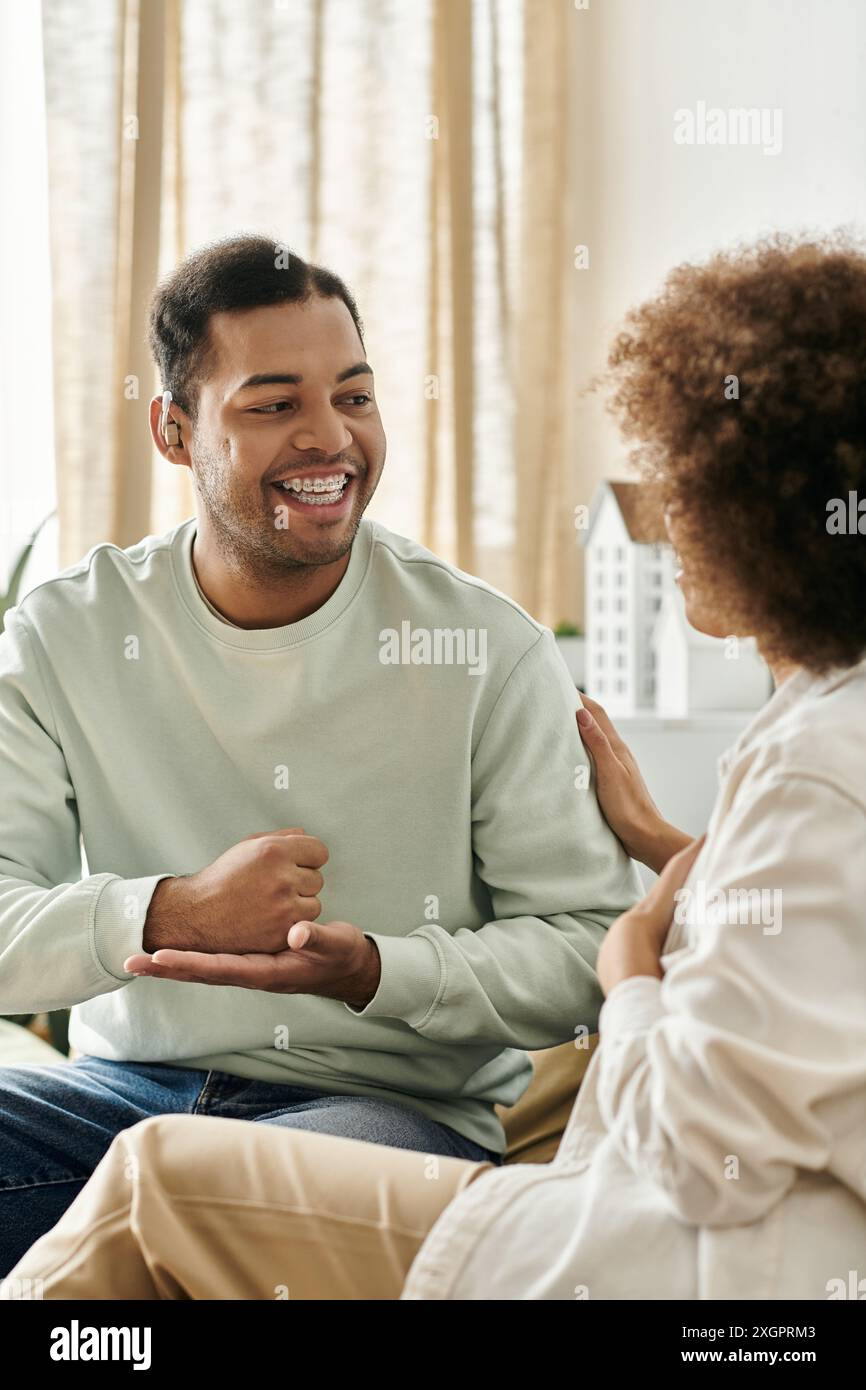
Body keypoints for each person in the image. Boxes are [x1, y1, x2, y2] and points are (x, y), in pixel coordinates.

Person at [5, 231, 865, 1302]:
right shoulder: (60, 636)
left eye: (355, 396)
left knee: (173, 1202)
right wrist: (168, 912)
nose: (330, 438)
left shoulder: (486, 647)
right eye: (273, 404)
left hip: (381, 1107)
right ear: (173, 430)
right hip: (119, 1087)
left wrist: (376, 968)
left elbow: (578, 957)